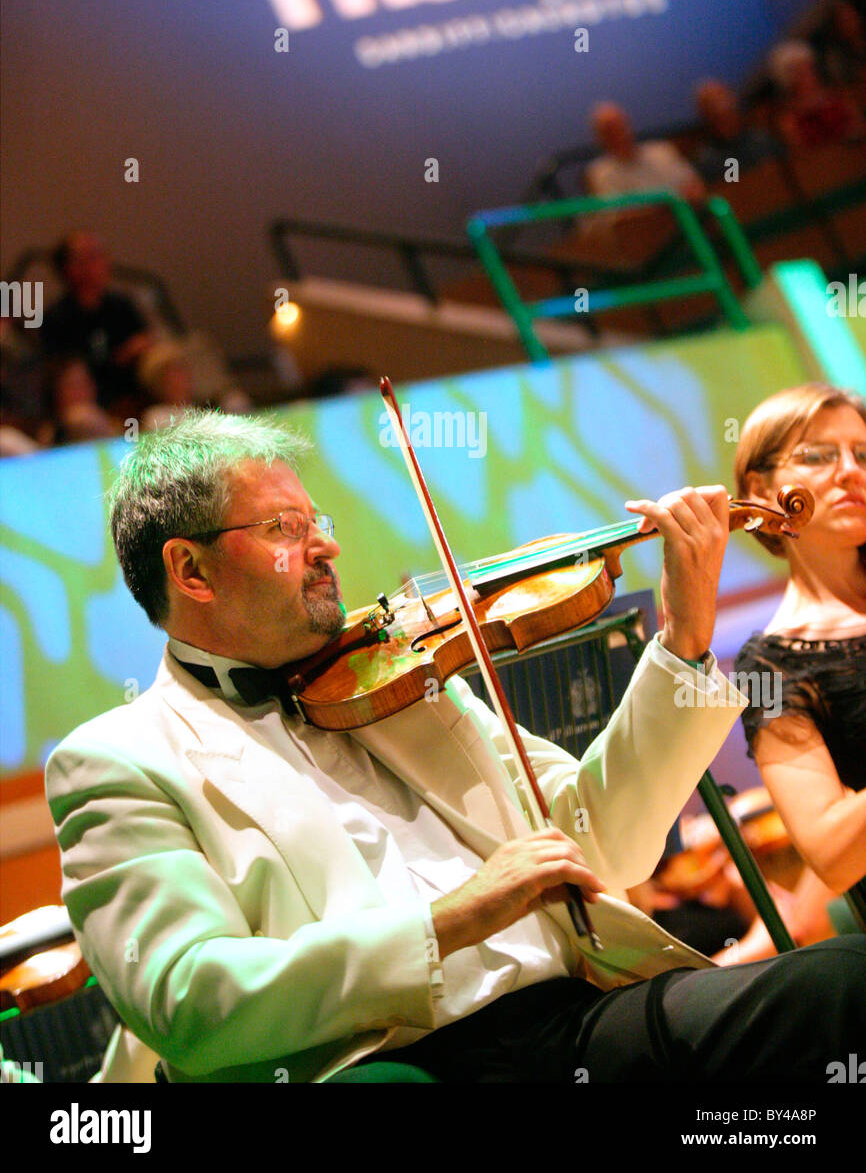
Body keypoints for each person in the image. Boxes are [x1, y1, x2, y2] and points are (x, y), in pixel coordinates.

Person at [45, 410, 865, 1084]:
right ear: (190, 570)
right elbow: (191, 1000)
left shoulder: (406, 678)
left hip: (577, 1017)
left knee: (844, 982)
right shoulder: (118, 760)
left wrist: (686, 639)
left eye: (317, 521)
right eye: (286, 528)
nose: (327, 546)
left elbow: (600, 845)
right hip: (408, 1063)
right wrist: (447, 920)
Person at [734, 384, 866, 929]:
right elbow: (832, 855)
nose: (850, 471)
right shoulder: (768, 666)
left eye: (862, 454)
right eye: (818, 455)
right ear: (760, 489)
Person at [41, 232, 151, 413]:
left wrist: (138, 347)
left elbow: (144, 339)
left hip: (132, 390)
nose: (99, 264)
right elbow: (63, 369)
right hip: (90, 399)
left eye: (99, 255)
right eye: (87, 258)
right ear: (68, 268)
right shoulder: (57, 318)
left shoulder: (121, 306)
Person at [693, 80, 781, 184]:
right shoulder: (709, 160)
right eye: (712, 106)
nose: (721, 107)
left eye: (725, 100)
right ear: (706, 117)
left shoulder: (761, 139)